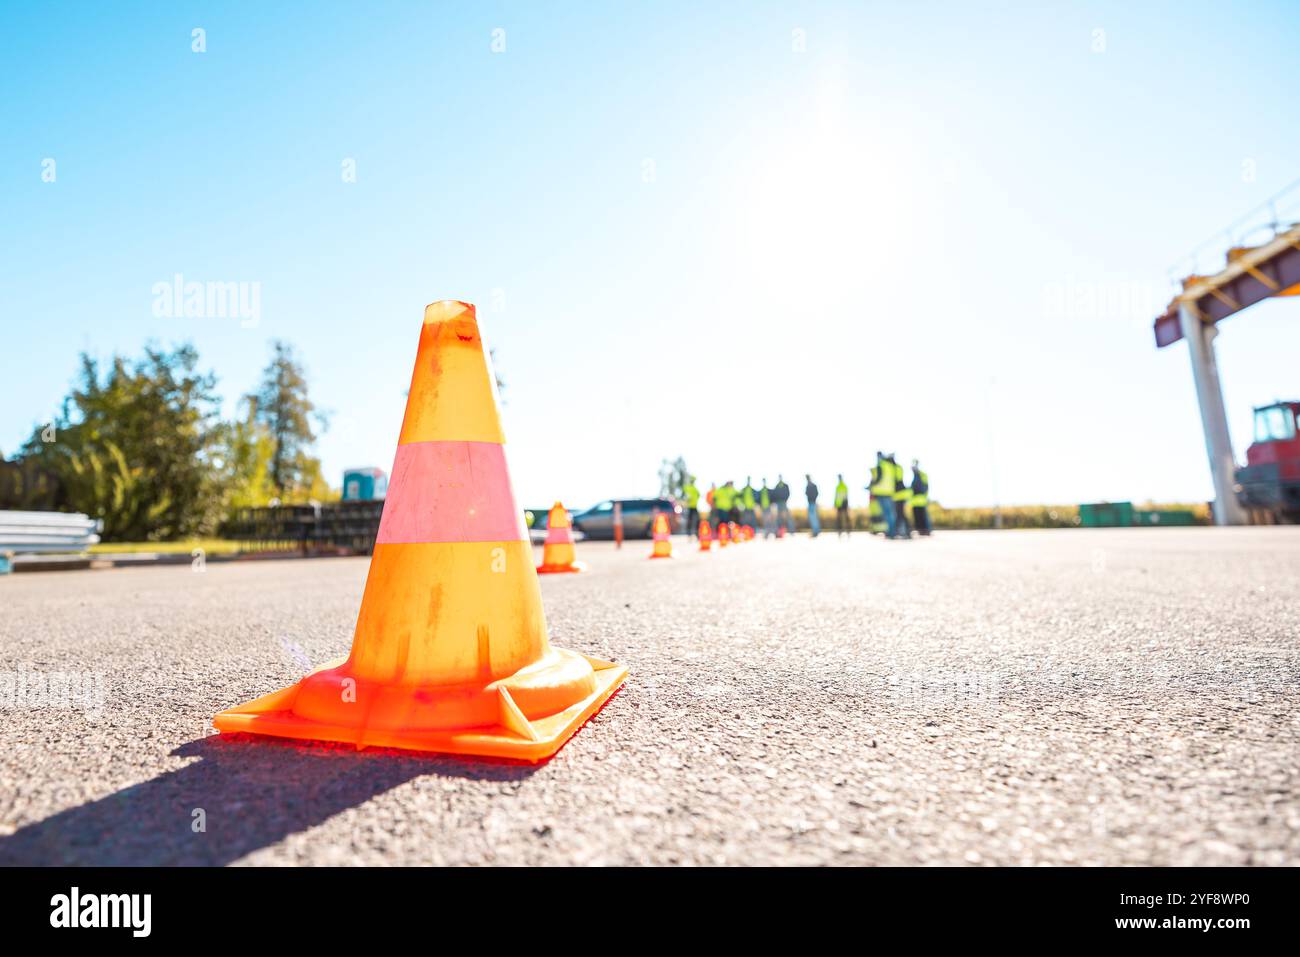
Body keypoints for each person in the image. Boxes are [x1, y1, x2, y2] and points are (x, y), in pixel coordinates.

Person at [873, 451, 897, 538]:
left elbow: (878, 479)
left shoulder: (881, 465)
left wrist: (871, 486)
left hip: (882, 493)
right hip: (890, 492)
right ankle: (893, 531)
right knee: (891, 513)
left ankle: (891, 532)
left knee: (887, 514)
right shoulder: (890, 466)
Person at [889, 453, 911, 538]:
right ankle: (903, 531)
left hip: (899, 494)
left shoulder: (895, 468)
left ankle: (906, 531)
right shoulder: (897, 467)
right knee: (899, 514)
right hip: (898, 494)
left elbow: (896, 480)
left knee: (900, 514)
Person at [911, 460, 931, 536]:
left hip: (921, 499)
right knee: (918, 517)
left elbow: (925, 487)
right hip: (915, 501)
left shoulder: (922, 475)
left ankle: (926, 530)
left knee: (923, 516)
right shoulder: (914, 477)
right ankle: (920, 530)